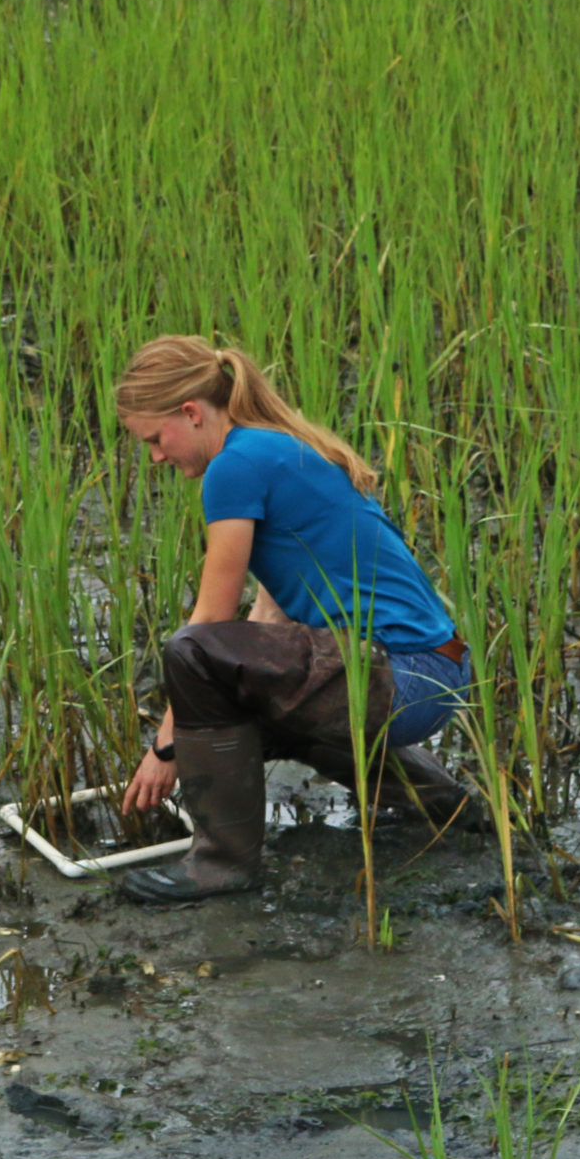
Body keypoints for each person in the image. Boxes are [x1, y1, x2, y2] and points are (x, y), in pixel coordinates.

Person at [112, 335, 476, 902]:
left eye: (155, 439)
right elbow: (269, 613)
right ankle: (441, 804)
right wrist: (222, 716)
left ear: (191, 412)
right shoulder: (275, 449)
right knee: (247, 700)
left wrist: (166, 750)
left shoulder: (233, 467)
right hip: (439, 672)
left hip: (401, 677)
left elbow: (209, 624)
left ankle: (221, 865)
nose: (156, 457)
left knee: (190, 651)